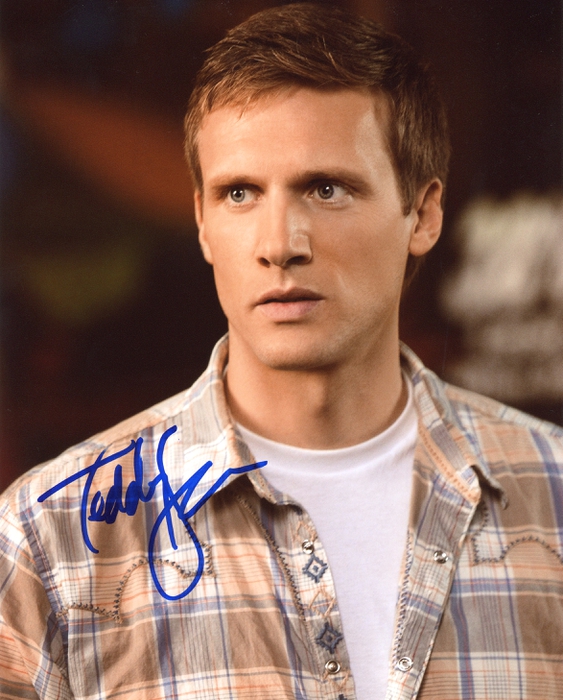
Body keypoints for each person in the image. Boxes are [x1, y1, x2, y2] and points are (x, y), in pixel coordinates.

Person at [1, 4, 562, 699]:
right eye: (239, 193)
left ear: (422, 214)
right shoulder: (49, 539)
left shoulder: (552, 497)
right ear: (202, 223)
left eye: (326, 189)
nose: (279, 244)